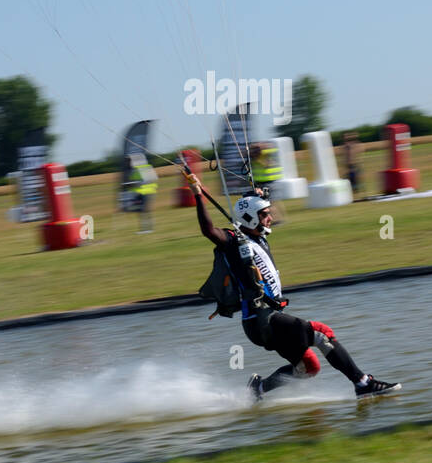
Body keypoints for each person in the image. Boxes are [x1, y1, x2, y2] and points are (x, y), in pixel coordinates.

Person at [185, 171, 399, 399]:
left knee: (308, 367)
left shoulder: (257, 237)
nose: (269, 218)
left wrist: (256, 193)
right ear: (250, 217)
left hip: (266, 319)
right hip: (261, 320)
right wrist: (198, 193)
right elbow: (208, 231)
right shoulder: (232, 242)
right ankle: (363, 383)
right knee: (321, 332)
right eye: (265, 214)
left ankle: (257, 390)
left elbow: (247, 205)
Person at [128, 153, 158, 234]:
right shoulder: (148, 167)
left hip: (142, 192)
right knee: (146, 211)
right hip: (150, 192)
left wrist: (133, 185)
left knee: (142, 211)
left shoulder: (137, 169)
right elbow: (155, 178)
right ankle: (148, 228)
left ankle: (145, 229)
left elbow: (135, 182)